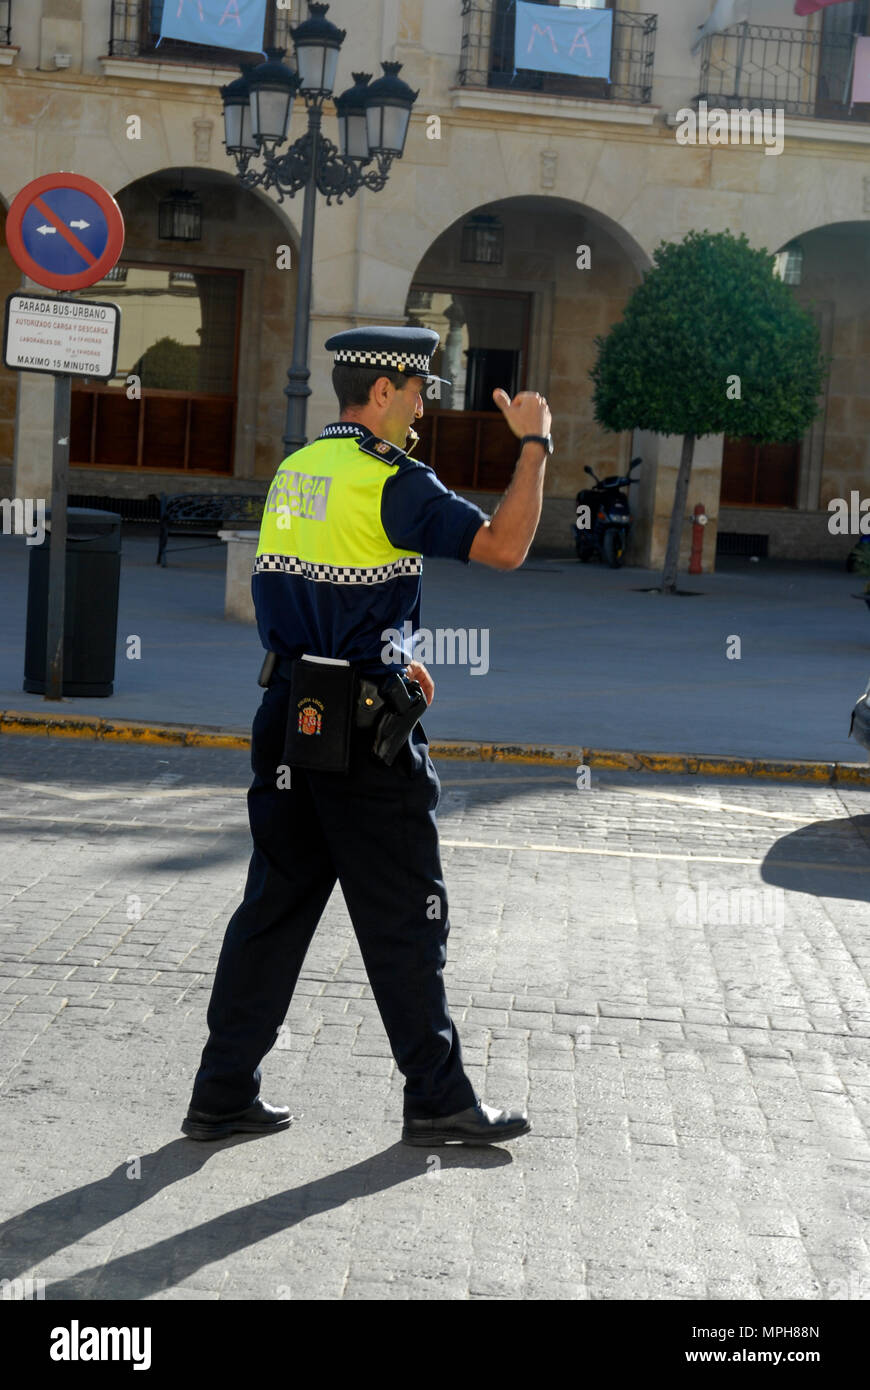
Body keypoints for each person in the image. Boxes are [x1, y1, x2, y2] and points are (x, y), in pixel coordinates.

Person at [182, 326, 553, 1147]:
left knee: (273, 907)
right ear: (382, 390)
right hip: (361, 735)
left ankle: (221, 1091)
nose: (423, 409)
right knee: (407, 914)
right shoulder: (396, 480)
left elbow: (315, 595)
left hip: (288, 715)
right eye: (418, 391)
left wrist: (397, 655)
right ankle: (437, 1097)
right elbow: (506, 547)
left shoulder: (297, 470)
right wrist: (535, 445)